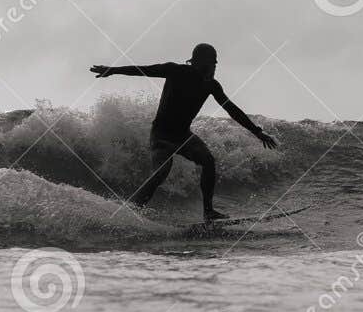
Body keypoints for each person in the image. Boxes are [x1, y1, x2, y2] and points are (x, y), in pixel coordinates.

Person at [90, 43, 278, 220]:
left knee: (208, 161)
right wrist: (113, 70)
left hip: (183, 135)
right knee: (161, 172)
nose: (213, 67)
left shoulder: (211, 85)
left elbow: (232, 110)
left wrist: (257, 131)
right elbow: (145, 69)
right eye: (211, 63)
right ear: (198, 62)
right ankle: (133, 210)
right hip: (162, 135)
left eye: (214, 63)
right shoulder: (176, 71)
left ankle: (208, 212)